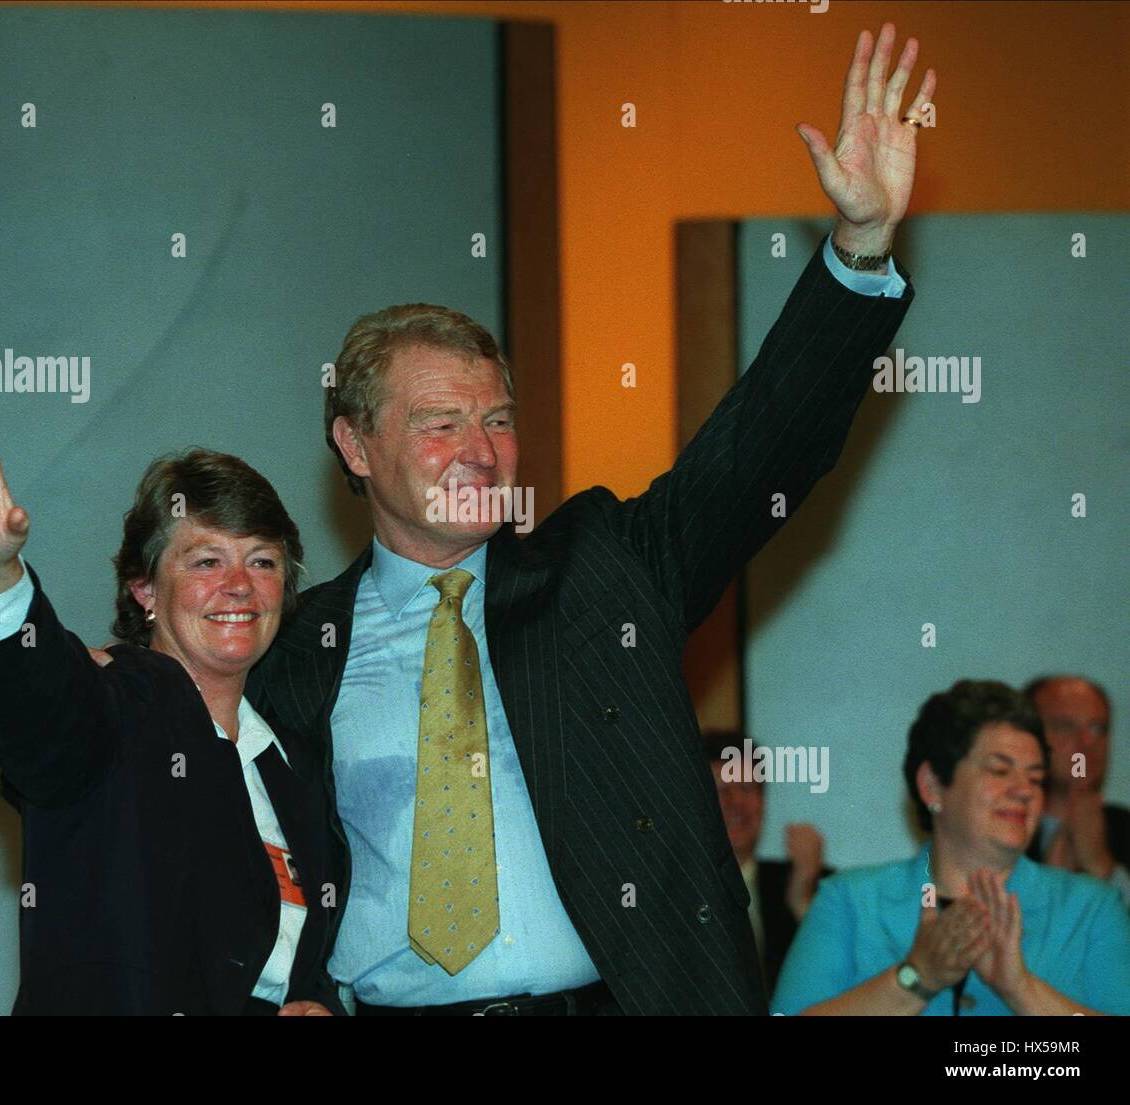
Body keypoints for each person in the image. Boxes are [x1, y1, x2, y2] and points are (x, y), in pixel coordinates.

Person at [244, 23, 933, 1014]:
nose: (479, 449)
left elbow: (758, 451)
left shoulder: (602, 572)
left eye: (498, 420)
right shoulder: (296, 651)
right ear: (355, 445)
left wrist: (859, 249)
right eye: (440, 424)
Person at [0, 415, 344, 1015]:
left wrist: (314, 1004)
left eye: (262, 562)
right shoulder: (117, 705)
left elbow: (287, 964)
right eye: (206, 562)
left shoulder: (295, 765)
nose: (239, 585)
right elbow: (43, 706)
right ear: (145, 589)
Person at [772, 681, 1130, 1015]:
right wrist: (916, 978)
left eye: (1035, 778)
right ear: (932, 785)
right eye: (999, 771)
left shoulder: (1091, 908)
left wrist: (1021, 989)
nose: (1024, 791)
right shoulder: (849, 901)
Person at [703, 731, 831, 996]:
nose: (736, 802)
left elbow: (841, 979)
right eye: (721, 789)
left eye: (746, 788)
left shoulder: (805, 880)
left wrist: (802, 898)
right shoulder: (674, 888)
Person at [1024, 675, 1130, 905]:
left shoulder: (1125, 827)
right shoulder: (1006, 826)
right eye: (1064, 726)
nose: (1086, 742)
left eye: (1097, 728)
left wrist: (1101, 866)